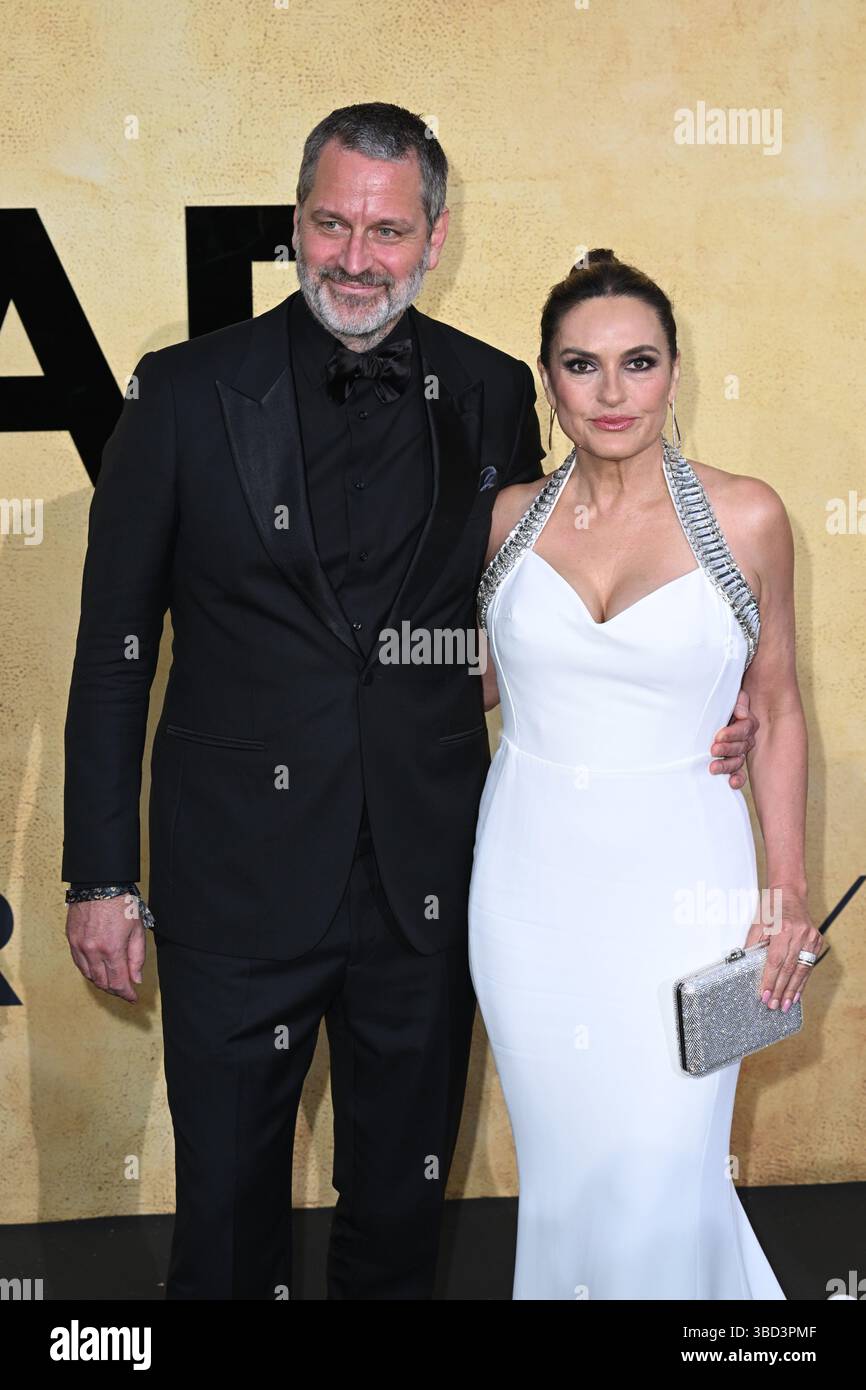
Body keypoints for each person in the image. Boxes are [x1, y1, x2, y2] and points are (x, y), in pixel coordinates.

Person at [62, 106, 759, 1300]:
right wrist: (100, 875)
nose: (354, 255)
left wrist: (690, 711)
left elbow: (523, 625)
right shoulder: (182, 394)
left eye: (387, 229)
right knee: (225, 1222)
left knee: (399, 1214)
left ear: (432, 237)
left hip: (432, 881)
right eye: (331, 223)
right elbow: (116, 649)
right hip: (232, 880)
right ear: (295, 225)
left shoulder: (490, 392)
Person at [468, 248, 819, 1300]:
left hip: (685, 891)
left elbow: (778, 703)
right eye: (581, 365)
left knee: (665, 1170)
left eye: (638, 362)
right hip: (527, 897)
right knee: (567, 1178)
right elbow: (468, 687)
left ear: (674, 371)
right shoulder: (508, 520)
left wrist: (786, 893)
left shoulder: (744, 517)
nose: (611, 392)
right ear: (547, 378)